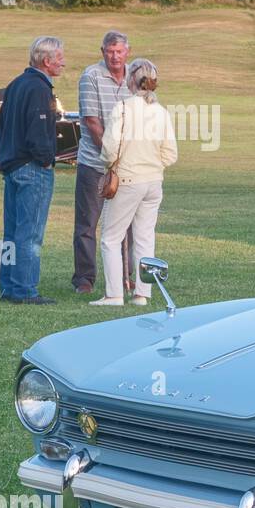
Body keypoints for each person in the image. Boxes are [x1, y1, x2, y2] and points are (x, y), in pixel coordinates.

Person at [91, 60, 177, 306]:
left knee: (110, 237)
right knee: (145, 238)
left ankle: (114, 294)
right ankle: (142, 293)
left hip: (127, 179)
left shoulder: (123, 108)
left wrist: (111, 165)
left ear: (131, 80)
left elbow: (109, 148)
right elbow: (171, 154)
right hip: (153, 181)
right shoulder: (161, 112)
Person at [0, 36, 65, 305]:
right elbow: (38, 130)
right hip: (32, 168)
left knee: (12, 231)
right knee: (31, 232)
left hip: (12, 166)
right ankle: (25, 290)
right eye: (59, 58)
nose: (63, 62)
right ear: (46, 61)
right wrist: (46, 159)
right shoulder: (39, 89)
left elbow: (1, 125)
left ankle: (8, 286)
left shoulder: (15, 85)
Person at [73, 31, 134, 294]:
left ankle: (124, 276)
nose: (115, 56)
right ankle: (84, 279)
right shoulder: (91, 76)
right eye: (110, 51)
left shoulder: (135, 75)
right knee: (87, 223)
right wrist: (111, 156)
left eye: (119, 51)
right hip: (95, 163)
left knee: (128, 223)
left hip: (129, 165)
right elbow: (92, 121)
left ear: (127, 52)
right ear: (102, 52)